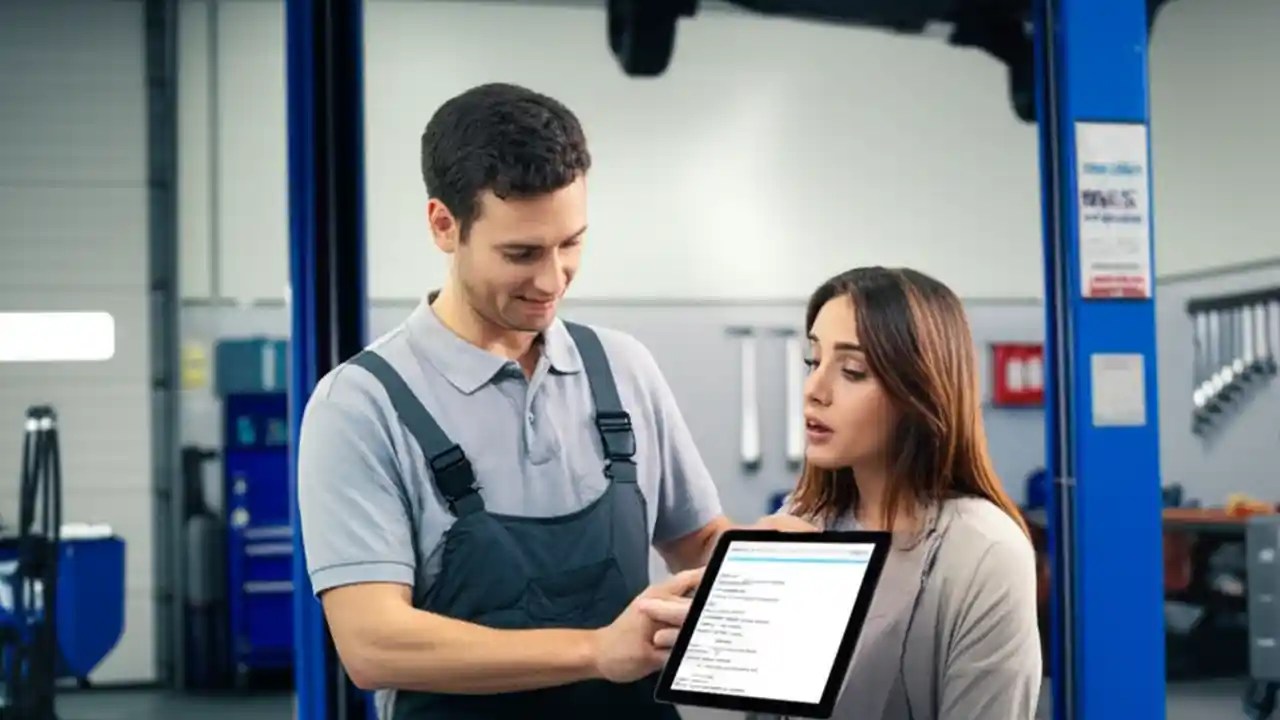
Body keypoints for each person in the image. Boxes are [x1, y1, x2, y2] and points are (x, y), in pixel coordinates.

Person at [295, 82, 795, 719]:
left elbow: (697, 538)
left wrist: (774, 556)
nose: (553, 278)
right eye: (521, 253)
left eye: (571, 243)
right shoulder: (359, 406)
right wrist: (594, 651)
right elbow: (373, 644)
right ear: (444, 226)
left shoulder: (621, 367)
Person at [645, 267, 1043, 719]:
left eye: (852, 371)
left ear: (920, 390)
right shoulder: (806, 519)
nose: (814, 390)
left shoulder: (984, 550)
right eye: (814, 362)